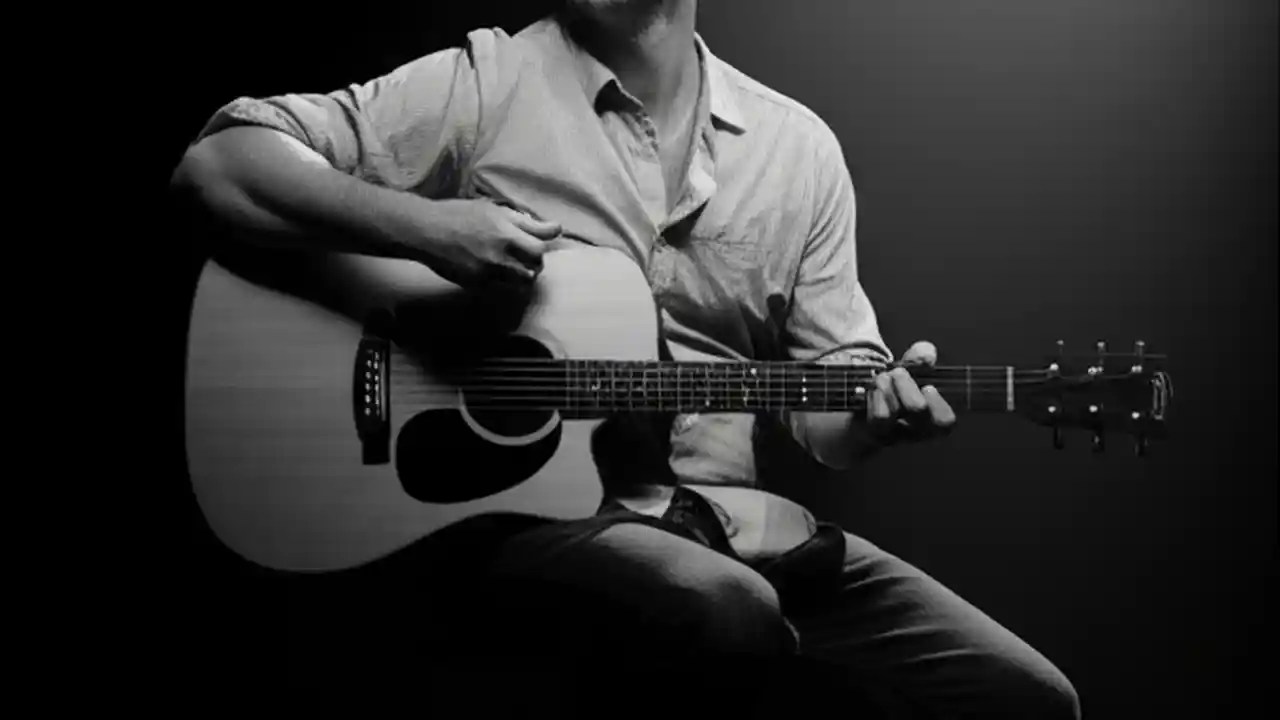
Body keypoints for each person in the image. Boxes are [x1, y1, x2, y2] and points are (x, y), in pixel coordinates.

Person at [171, 1, 1081, 716]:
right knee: (724, 611)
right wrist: (430, 229)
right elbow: (217, 169)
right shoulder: (489, 82)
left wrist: (875, 415)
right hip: (539, 521)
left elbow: (826, 422)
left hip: (738, 523)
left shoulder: (798, 149)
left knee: (1027, 696)